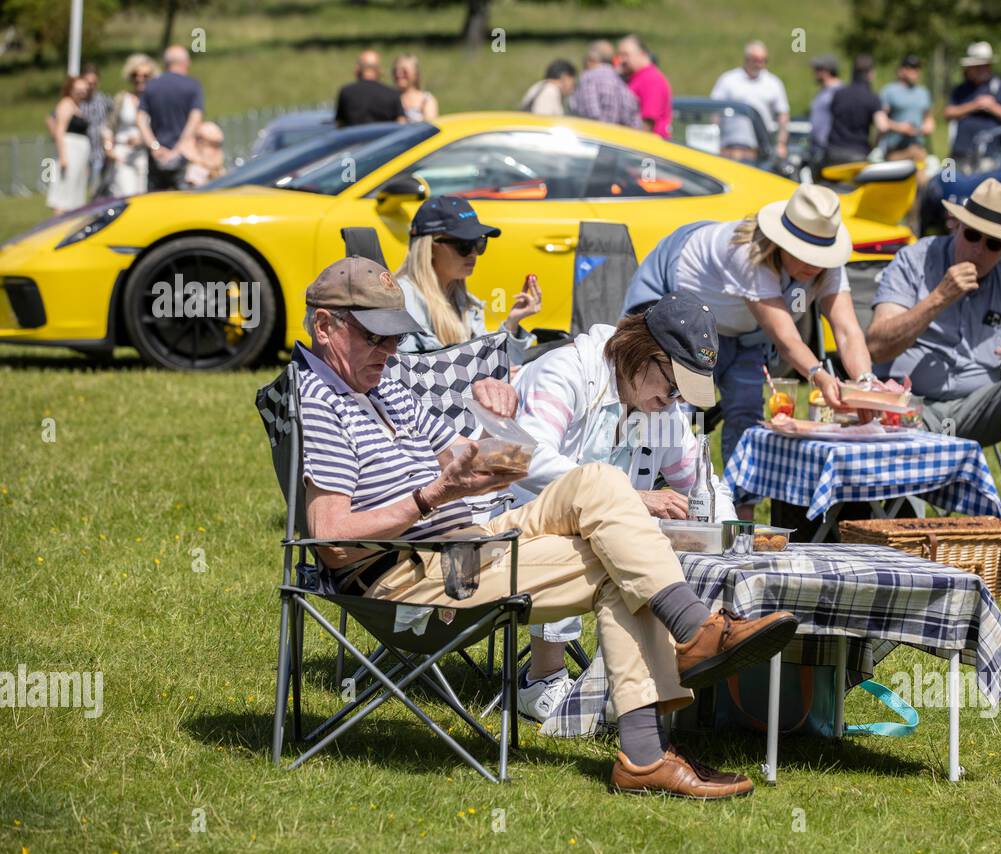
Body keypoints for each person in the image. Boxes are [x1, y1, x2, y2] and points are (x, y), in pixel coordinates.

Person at [295, 255, 800, 797]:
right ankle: (653, 737)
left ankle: (684, 662)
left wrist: (493, 414)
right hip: (417, 575)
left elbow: (481, 458)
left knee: (607, 496)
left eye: (395, 339)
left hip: (468, 543)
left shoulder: (385, 388)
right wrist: (432, 495)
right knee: (628, 564)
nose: (389, 351)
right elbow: (333, 543)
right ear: (326, 326)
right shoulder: (322, 402)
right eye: (377, 338)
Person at [505, 295, 737, 721]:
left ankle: (638, 682)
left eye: (683, 391)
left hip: (598, 531)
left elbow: (705, 484)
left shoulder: (660, 405)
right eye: (672, 385)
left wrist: (729, 534)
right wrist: (632, 499)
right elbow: (524, 461)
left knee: (650, 539)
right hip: (505, 520)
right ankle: (540, 680)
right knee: (592, 539)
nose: (674, 399)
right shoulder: (567, 371)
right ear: (642, 354)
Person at [622, 183, 876, 519]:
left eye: (821, 256)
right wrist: (820, 376)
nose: (814, 265)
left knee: (746, 416)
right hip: (672, 304)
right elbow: (784, 336)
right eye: (805, 254)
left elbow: (847, 328)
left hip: (739, 328)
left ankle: (737, 520)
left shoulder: (826, 265)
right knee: (665, 406)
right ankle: (649, 503)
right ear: (782, 242)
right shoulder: (746, 253)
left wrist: (866, 385)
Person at [866, 178, 1001, 522]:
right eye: (972, 236)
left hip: (973, 410)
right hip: (906, 408)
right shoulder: (914, 260)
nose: (979, 250)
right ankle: (908, 540)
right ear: (956, 225)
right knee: (899, 426)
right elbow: (876, 346)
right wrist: (938, 298)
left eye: (994, 243)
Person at [394, 196, 536, 363]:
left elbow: (491, 361)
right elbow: (412, 373)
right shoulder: (402, 301)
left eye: (479, 243)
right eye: (464, 245)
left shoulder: (465, 302)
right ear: (430, 246)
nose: (474, 253)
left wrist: (513, 321)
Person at [136, 45, 205, 191]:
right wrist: (179, 148)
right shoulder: (192, 86)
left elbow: (141, 119)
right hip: (184, 156)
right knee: (186, 204)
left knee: (156, 204)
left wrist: (154, 146)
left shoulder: (151, 86)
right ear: (185, 63)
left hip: (157, 158)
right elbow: (195, 118)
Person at [710, 40, 790, 162]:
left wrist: (781, 143)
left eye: (764, 60)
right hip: (729, 147)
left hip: (759, 149)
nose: (760, 64)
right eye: (756, 60)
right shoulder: (728, 80)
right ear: (747, 59)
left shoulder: (773, 83)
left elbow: (783, 115)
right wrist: (712, 136)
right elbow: (715, 110)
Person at [944, 41, 1001, 168]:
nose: (981, 70)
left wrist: (993, 107)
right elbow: (948, 114)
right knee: (951, 181)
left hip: (988, 156)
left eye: (984, 65)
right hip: (960, 153)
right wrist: (974, 105)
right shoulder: (961, 89)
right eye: (977, 66)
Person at [102, 54, 155, 198]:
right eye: (135, 75)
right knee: (126, 196)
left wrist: (144, 141)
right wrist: (109, 149)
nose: (140, 79)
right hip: (122, 153)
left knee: (143, 198)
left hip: (145, 155)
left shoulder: (155, 101)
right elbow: (108, 126)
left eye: (145, 75)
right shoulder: (122, 99)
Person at [825, 53, 884, 166]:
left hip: (833, 153)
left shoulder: (839, 94)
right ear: (870, 74)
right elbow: (883, 126)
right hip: (858, 154)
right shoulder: (872, 97)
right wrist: (874, 145)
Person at [569, 40, 641, 127]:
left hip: (595, 137)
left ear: (591, 59)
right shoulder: (623, 84)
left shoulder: (588, 78)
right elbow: (635, 122)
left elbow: (589, 116)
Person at [47, 75, 92, 214]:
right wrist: (63, 157)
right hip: (69, 151)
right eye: (78, 89)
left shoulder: (78, 106)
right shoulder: (66, 104)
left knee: (75, 194)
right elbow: (60, 132)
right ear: (70, 89)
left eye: (83, 89)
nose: (81, 92)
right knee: (63, 194)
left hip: (79, 154)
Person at [878, 54, 933, 164]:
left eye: (917, 69)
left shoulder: (923, 93)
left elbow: (928, 118)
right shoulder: (889, 91)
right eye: (911, 68)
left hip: (918, 148)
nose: (915, 72)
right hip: (895, 150)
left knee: (922, 180)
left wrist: (927, 127)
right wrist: (899, 127)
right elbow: (881, 120)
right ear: (902, 70)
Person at [617, 34, 672, 138]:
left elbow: (647, 124)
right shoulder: (636, 77)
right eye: (620, 56)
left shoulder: (651, 79)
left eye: (626, 55)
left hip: (647, 148)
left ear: (642, 54)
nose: (622, 60)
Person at [335, 50, 403, 127]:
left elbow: (339, 126)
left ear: (357, 69)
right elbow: (401, 125)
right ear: (379, 71)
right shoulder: (393, 94)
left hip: (355, 139)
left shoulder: (346, 92)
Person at [78, 63, 113, 196]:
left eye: (93, 83)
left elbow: (114, 119)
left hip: (100, 153)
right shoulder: (77, 102)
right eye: (88, 82)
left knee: (98, 189)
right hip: (83, 152)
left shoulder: (104, 100)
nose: (90, 86)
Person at [807, 54, 842, 173]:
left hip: (828, 148)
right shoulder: (823, 91)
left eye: (817, 69)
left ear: (826, 71)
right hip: (817, 148)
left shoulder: (838, 92)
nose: (815, 73)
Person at [393, 53, 438, 124]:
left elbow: (429, 128)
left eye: (404, 71)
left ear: (416, 73)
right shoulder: (389, 97)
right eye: (395, 71)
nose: (398, 74)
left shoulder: (426, 100)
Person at [183, 121, 226, 187]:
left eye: (217, 146)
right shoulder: (195, 171)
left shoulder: (220, 170)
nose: (215, 151)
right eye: (211, 146)